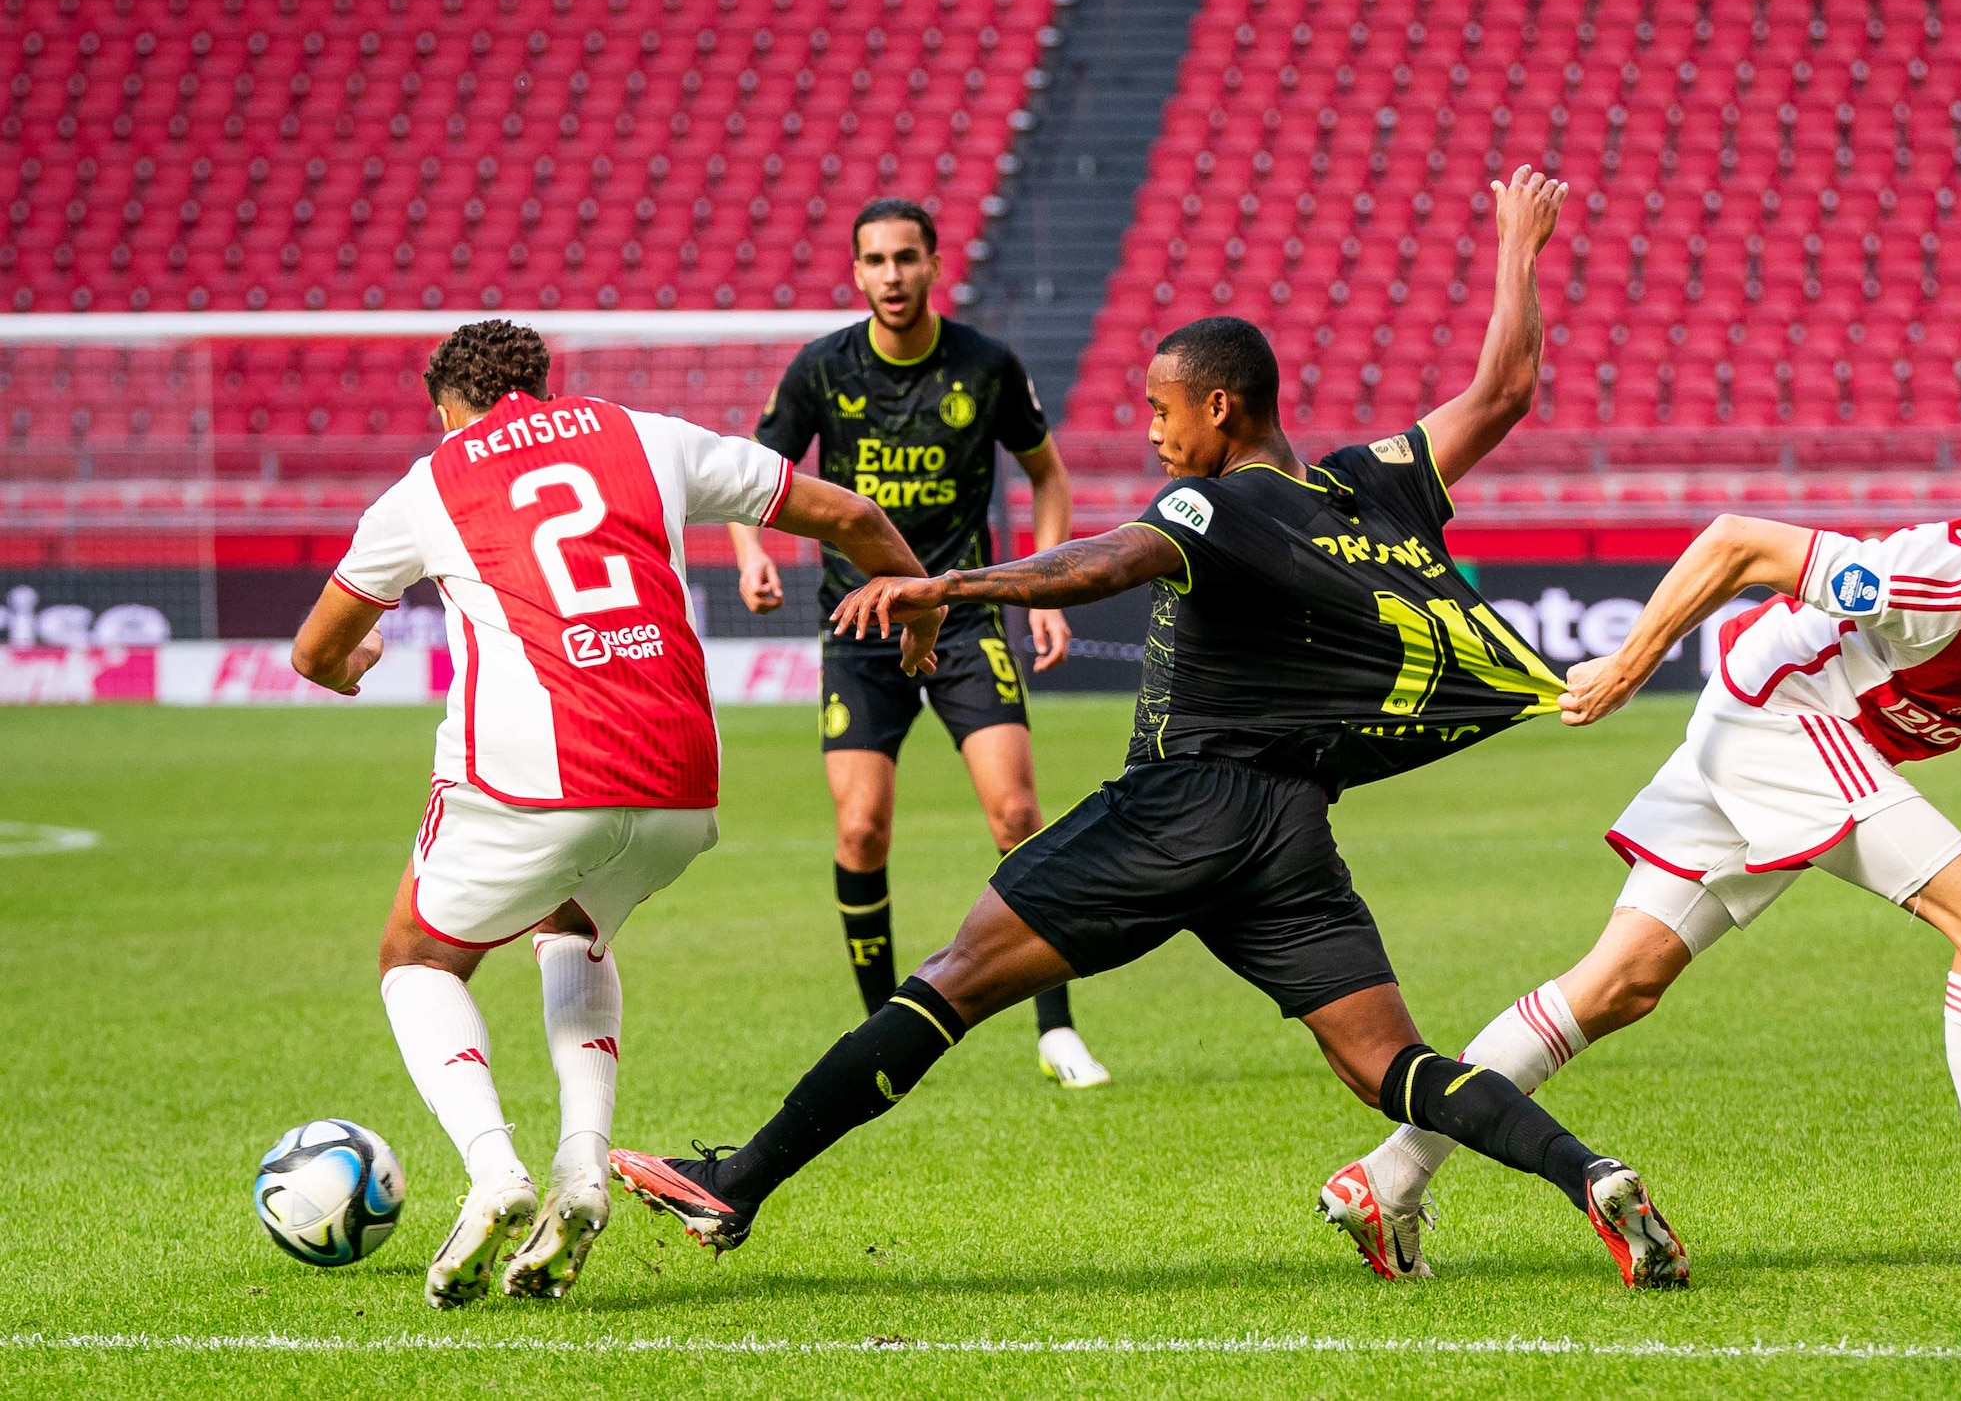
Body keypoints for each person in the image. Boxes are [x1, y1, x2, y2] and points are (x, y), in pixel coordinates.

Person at [611, 167, 1692, 1290]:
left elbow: (1102, 560)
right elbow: (1504, 390)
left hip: (1178, 806)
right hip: (1286, 831)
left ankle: (737, 1182)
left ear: (1218, 408)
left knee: (952, 978)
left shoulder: (1208, 505)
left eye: (1160, 409)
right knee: (1387, 1062)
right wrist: (1518, 247)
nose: (1151, 431)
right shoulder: (1368, 484)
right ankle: (1590, 1174)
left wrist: (951, 585)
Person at [1326, 497, 1961, 1285]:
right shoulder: (1939, 579)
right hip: (1782, 716)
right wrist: (1629, 663)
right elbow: (1736, 542)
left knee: (1619, 984)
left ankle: (1391, 1175)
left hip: (1779, 728)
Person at [289, 320, 942, 1309]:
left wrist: (355, 663)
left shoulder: (429, 485)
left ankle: (494, 1172)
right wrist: (922, 609)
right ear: (543, 388)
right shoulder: (646, 435)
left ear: (447, 411)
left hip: (537, 779)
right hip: (680, 779)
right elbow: (851, 513)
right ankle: (581, 1170)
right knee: (572, 927)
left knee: (415, 958)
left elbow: (315, 652)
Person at [729, 197, 1108, 1089]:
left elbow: (1048, 475)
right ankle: (881, 1041)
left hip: (966, 618)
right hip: (860, 624)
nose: (892, 275)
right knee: (861, 829)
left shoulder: (986, 365)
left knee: (1016, 816)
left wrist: (1046, 587)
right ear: (857, 272)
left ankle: (1056, 1029)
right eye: (876, 261)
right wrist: (751, 554)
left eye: (907, 258)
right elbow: (752, 475)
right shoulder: (823, 368)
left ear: (934, 265)